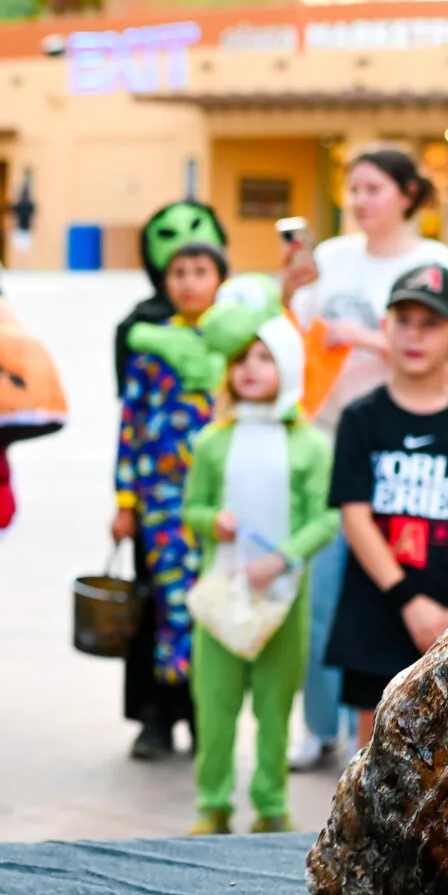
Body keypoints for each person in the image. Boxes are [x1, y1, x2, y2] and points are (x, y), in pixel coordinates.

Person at [282, 146, 448, 772]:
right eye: (352, 188)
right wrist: (290, 289)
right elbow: (293, 342)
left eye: (373, 188)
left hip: (401, 451)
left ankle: (396, 732)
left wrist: (368, 338)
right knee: (320, 593)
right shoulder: (331, 257)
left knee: (388, 591)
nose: (359, 200)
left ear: (408, 194)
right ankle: (316, 724)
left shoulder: (433, 262)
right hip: (329, 438)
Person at [323, 264, 448, 746]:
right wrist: (408, 601)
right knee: (372, 751)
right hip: (378, 608)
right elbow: (356, 518)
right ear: (384, 326)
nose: (414, 335)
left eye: (431, 323)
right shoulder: (361, 419)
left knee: (444, 754)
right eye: (403, 319)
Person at [183, 301, 336, 835]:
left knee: (275, 708)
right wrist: (210, 522)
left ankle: (271, 805)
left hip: (283, 597)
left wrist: (283, 557)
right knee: (216, 703)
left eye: (264, 358)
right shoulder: (212, 441)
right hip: (222, 593)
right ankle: (213, 802)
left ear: (289, 367)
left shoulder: (309, 444)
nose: (249, 369)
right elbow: (190, 510)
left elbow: (326, 516)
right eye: (241, 359)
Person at [113, 201, 228, 759]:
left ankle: (208, 716)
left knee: (210, 604)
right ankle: (158, 714)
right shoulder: (146, 344)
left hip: (217, 503)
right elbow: (130, 424)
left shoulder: (233, 344)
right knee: (165, 605)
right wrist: (124, 498)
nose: (188, 282)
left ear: (220, 279)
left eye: (200, 271)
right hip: (160, 497)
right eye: (178, 272)